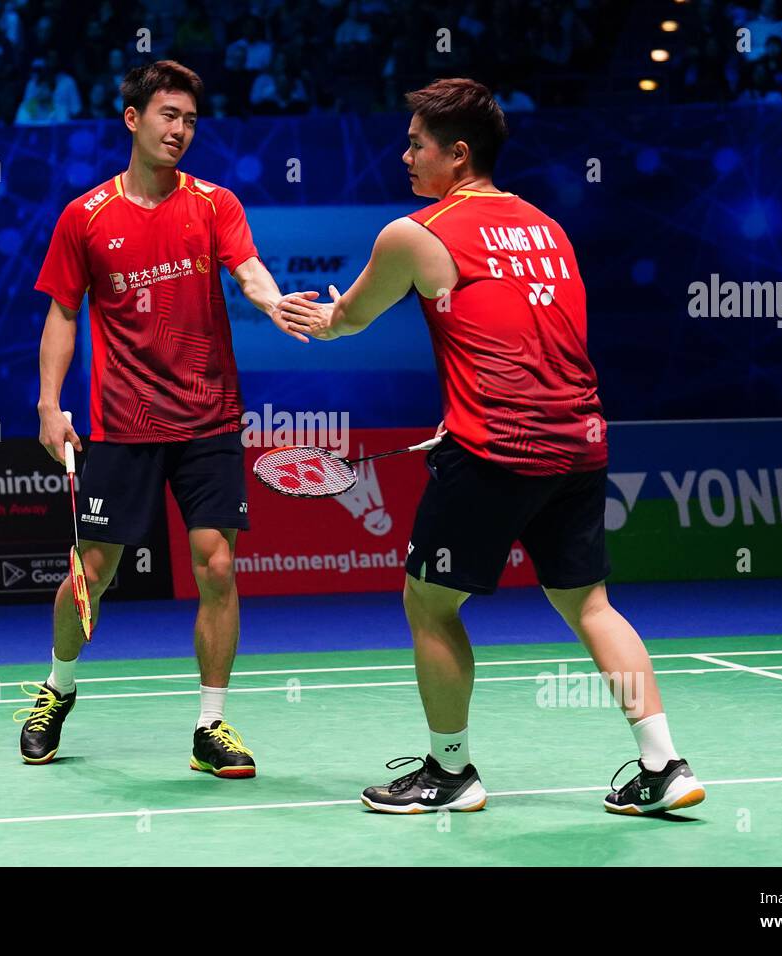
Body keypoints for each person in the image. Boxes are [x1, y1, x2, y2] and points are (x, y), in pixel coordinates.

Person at [278, 78, 706, 816]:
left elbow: (348, 319)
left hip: (496, 454)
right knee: (591, 605)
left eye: (418, 143)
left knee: (429, 603)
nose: (405, 154)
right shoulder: (548, 228)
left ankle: (450, 773)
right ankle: (664, 763)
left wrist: (306, 316)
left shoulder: (415, 233)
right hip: (579, 444)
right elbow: (539, 342)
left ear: (459, 154)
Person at [21, 60, 305, 776]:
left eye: (189, 121)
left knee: (217, 564)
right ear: (134, 119)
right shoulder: (85, 217)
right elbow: (62, 313)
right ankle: (58, 687)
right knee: (93, 570)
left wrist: (273, 303)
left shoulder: (214, 204)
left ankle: (211, 725)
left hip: (208, 417)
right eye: (167, 116)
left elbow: (248, 268)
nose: (179, 131)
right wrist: (50, 405)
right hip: (122, 423)